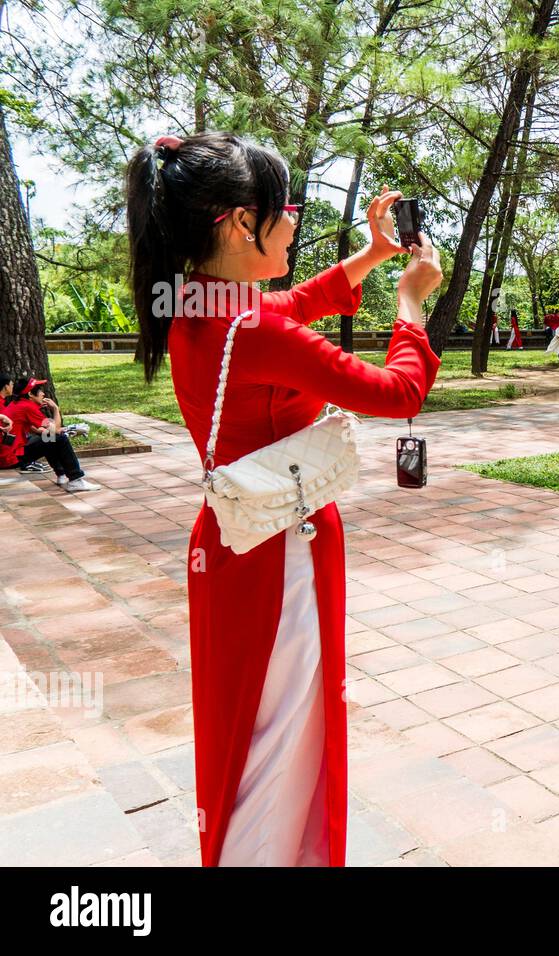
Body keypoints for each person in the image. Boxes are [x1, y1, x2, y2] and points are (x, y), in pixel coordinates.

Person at [125, 131, 442, 867]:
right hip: (281, 562)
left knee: (245, 729)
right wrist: (409, 304)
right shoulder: (255, 328)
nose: (295, 220)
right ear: (239, 222)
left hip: (232, 543)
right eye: (284, 206)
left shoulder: (197, 307)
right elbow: (399, 394)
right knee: (282, 747)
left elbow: (291, 306)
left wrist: (370, 255)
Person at [0, 375, 99, 490]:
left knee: (49, 438)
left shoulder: (17, 404)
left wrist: (63, 429)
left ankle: (62, 475)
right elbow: (55, 431)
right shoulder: (27, 407)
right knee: (58, 438)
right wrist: (56, 409)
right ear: (30, 394)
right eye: (40, 391)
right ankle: (76, 479)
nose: (43, 394)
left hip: (7, 454)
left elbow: (38, 430)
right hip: (10, 458)